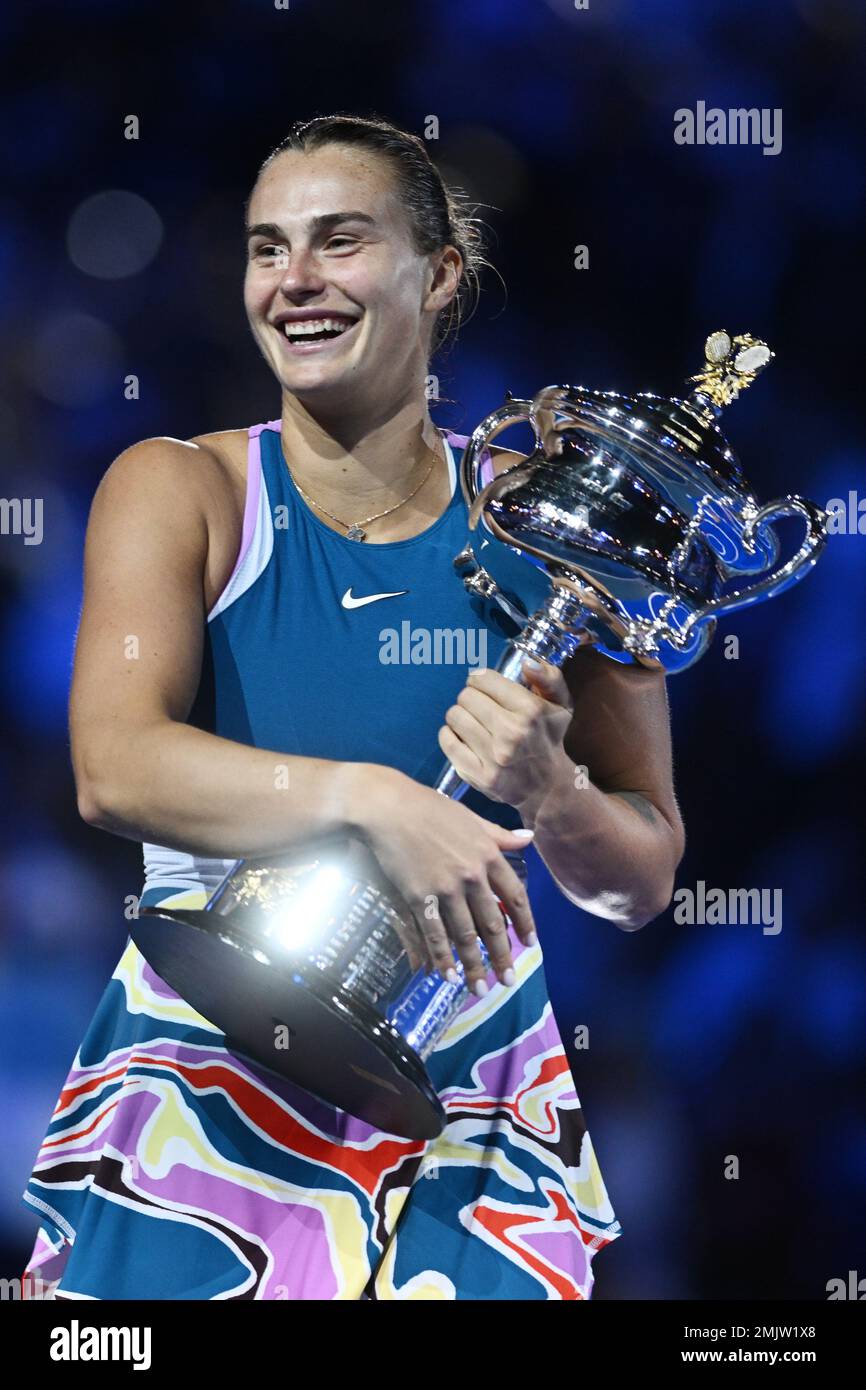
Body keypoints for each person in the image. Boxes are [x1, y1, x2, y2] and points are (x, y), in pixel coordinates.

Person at [20, 113, 684, 1301]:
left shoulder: (555, 525)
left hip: (464, 1094)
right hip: (208, 1071)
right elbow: (112, 767)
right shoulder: (180, 486)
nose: (294, 281)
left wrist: (551, 790)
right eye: (266, 248)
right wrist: (369, 800)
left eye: (339, 241)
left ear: (438, 275)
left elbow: (636, 879)